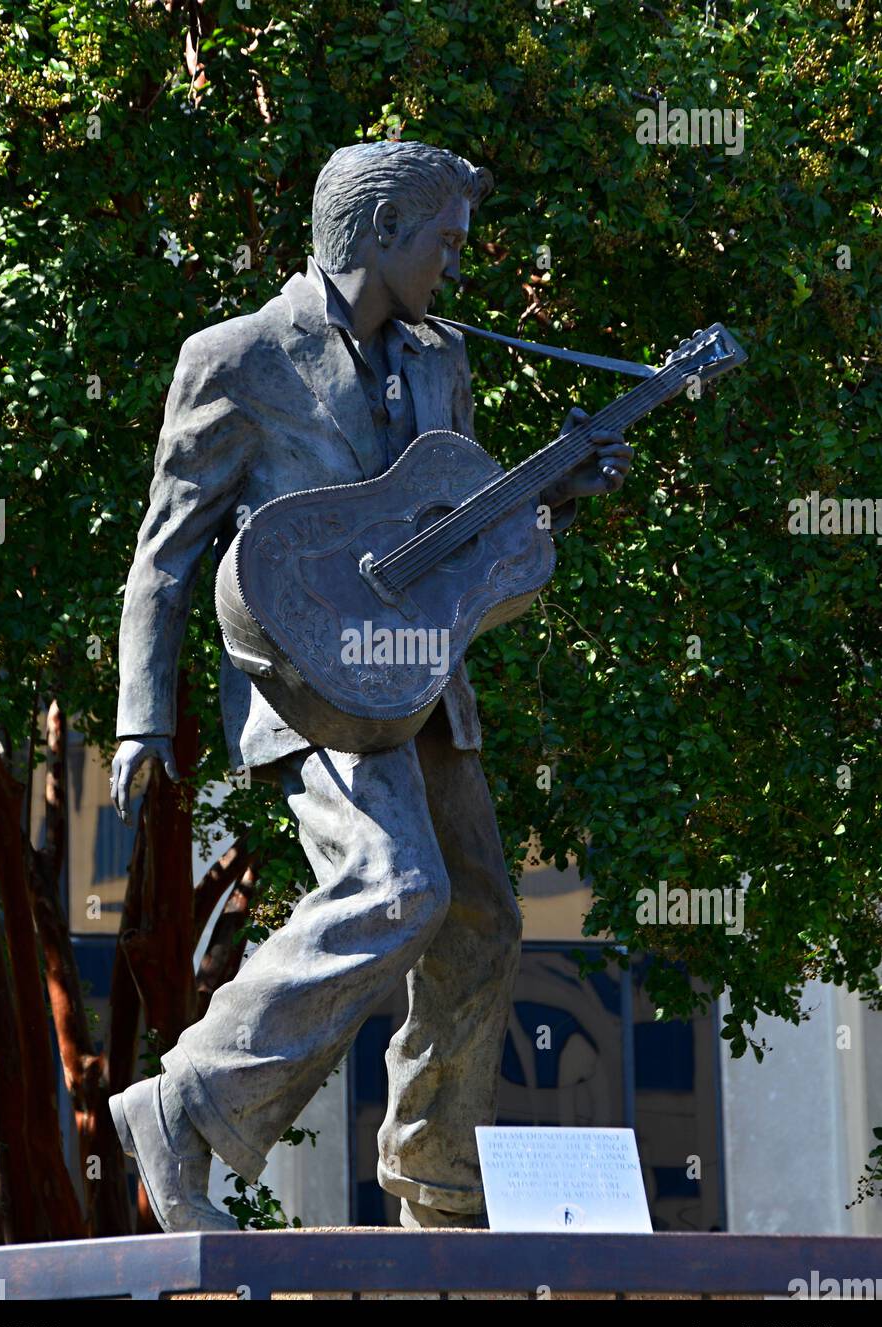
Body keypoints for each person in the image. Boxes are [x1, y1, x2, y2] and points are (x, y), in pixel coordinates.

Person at [108, 141, 632, 1232]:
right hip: (309, 679)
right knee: (398, 889)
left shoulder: (441, 363)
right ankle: (186, 1096)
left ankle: (435, 1182)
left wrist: (555, 499)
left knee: (482, 923)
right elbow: (163, 552)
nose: (457, 255)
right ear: (382, 227)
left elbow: (460, 531)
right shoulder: (239, 358)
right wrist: (139, 717)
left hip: (426, 683)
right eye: (444, 235)